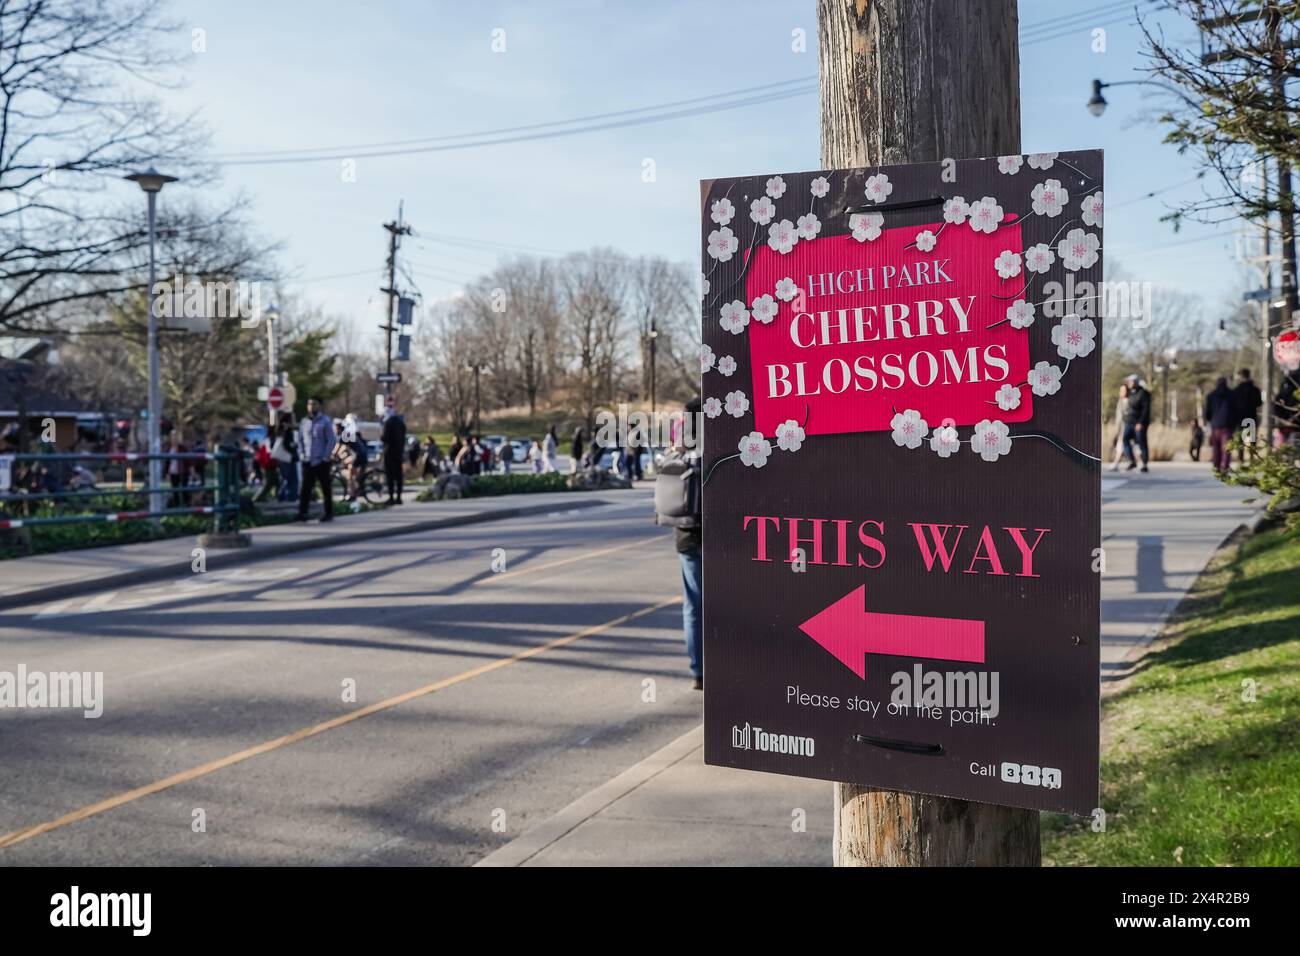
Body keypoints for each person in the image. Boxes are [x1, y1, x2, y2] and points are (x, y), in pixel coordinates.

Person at [656, 397, 703, 689]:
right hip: (721, 536)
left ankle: (699, 670)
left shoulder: (676, 447)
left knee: (694, 605)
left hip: (686, 534)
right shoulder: (721, 440)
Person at [298, 397, 335, 521]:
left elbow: (331, 440)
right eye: (309, 404)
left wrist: (325, 457)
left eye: (314, 404)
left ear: (319, 406)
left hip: (321, 461)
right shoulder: (304, 422)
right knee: (305, 488)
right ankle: (303, 513)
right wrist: (302, 454)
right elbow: (300, 440)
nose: (311, 406)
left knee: (325, 488)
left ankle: (328, 513)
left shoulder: (325, 421)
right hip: (307, 460)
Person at [1204, 376, 1239, 472]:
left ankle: (1216, 466)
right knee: (1227, 448)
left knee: (1216, 447)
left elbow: (1207, 412)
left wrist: (1210, 420)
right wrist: (1235, 422)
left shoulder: (1211, 395)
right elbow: (1236, 410)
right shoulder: (1232, 395)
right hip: (1228, 425)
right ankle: (1225, 466)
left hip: (1215, 425)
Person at [1121, 374, 1151, 473]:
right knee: (1125, 439)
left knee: (1141, 442)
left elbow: (1145, 410)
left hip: (1139, 423)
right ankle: (1132, 461)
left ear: (1135, 382)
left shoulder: (1143, 393)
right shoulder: (1130, 393)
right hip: (1129, 422)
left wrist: (1141, 423)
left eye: (1131, 381)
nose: (1129, 383)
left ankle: (1144, 463)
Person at [1232, 368, 1262, 462]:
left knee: (1240, 440)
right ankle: (1252, 459)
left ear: (1241, 376)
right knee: (1252, 440)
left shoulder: (1236, 390)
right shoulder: (1255, 389)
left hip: (1240, 419)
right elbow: (1259, 403)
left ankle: (1241, 459)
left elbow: (1232, 404)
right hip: (1251, 417)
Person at [381, 410, 407, 504]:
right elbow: (404, 437)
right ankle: (399, 498)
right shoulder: (401, 423)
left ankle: (391, 497)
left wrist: (381, 437)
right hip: (399, 452)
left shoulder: (388, 423)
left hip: (390, 452)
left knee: (390, 476)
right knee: (399, 476)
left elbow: (386, 438)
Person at [1108, 383, 1130, 471]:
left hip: (1127, 426)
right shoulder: (1120, 401)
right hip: (1120, 427)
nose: (1122, 392)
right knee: (1121, 445)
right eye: (1121, 390)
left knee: (1122, 445)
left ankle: (1117, 463)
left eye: (1124, 390)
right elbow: (1118, 417)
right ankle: (1117, 463)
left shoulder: (1129, 401)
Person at [166, 431, 191, 507]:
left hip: (183, 471)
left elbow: (188, 460)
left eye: (175, 436)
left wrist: (191, 470)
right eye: (173, 436)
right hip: (173, 472)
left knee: (184, 489)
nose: (174, 438)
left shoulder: (183, 448)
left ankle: (186, 505)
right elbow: (167, 462)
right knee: (175, 490)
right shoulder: (168, 449)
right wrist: (167, 473)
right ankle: (176, 506)